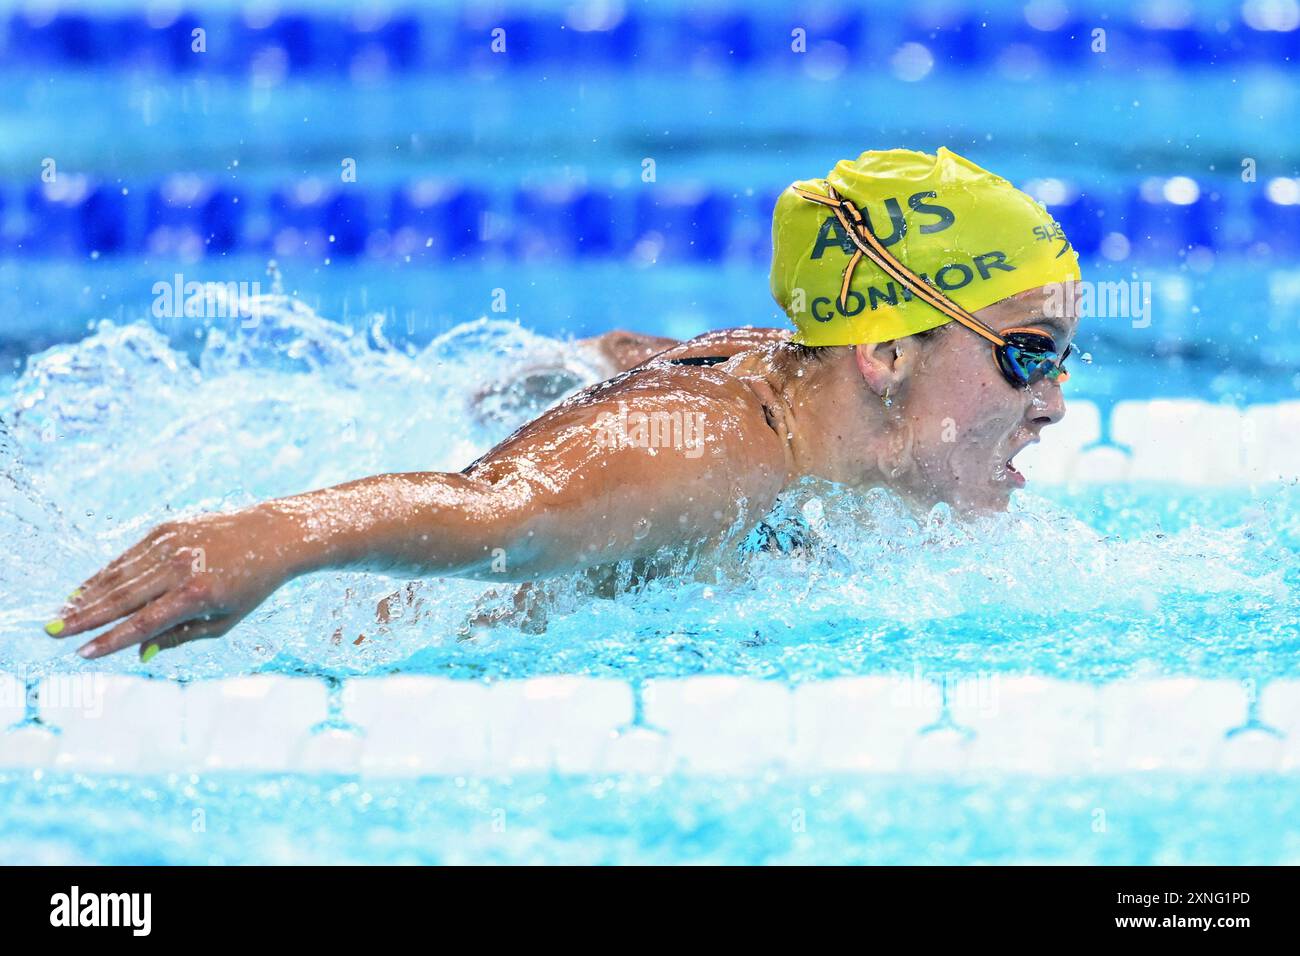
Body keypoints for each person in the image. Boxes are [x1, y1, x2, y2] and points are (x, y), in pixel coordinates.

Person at [45, 147, 1082, 661]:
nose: (1056, 404)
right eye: (1029, 357)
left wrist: (582, 364)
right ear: (885, 353)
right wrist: (268, 534)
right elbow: (493, 510)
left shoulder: (801, 392)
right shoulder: (707, 458)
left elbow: (667, 362)